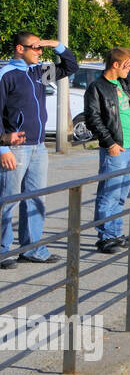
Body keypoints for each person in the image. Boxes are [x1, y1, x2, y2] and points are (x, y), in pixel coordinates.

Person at [0, 32, 78, 269]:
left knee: (35, 199)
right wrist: (3, 148)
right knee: (8, 200)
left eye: (40, 48)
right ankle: (3, 251)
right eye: (34, 48)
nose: (39, 52)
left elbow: (70, 66)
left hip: (38, 147)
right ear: (19, 49)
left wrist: (56, 45)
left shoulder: (38, 73)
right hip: (15, 149)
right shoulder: (6, 75)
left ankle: (31, 248)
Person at [84, 50, 130, 254]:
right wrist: (109, 142)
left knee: (121, 194)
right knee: (109, 193)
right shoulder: (97, 87)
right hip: (115, 148)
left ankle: (115, 232)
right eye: (127, 66)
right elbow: (93, 118)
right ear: (115, 65)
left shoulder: (126, 84)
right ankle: (105, 237)